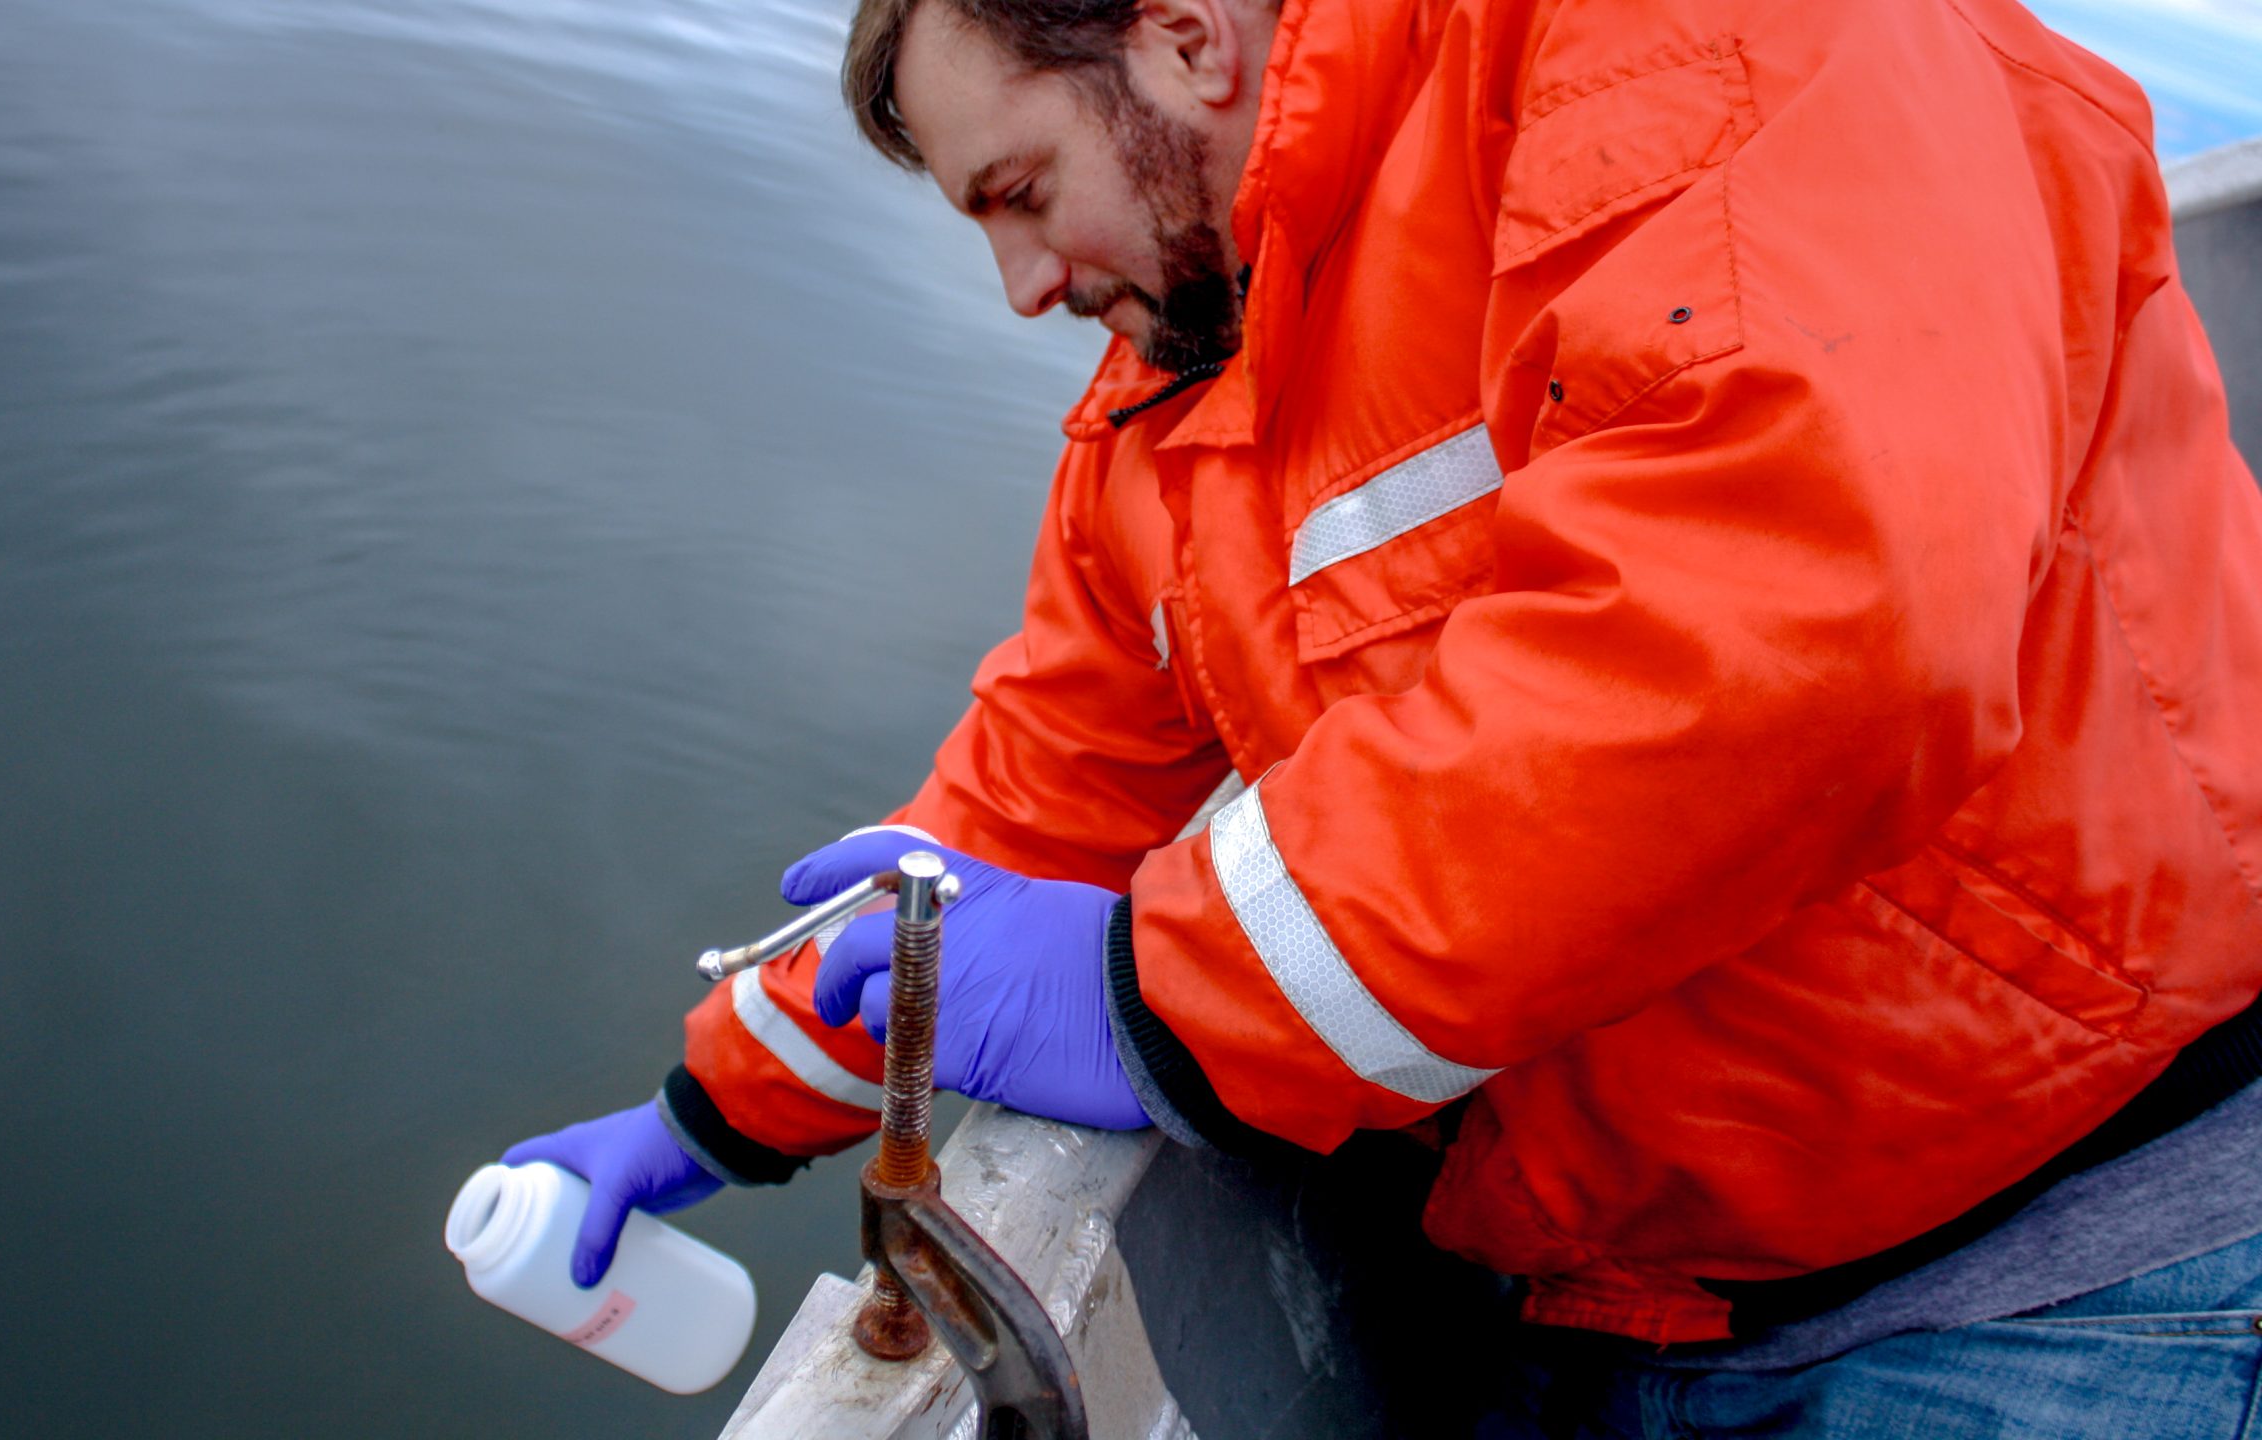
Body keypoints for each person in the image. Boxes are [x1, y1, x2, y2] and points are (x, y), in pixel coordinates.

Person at [504, 0, 2262, 1432]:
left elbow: (1800, 626)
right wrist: (707, 1114)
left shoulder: (1701, 48)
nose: (1022, 286)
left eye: (1022, 191)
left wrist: (1151, 994)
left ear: (1187, 40)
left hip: (2061, 1277)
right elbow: (1032, 804)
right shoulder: (1184, 405)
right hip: (1627, 1305)